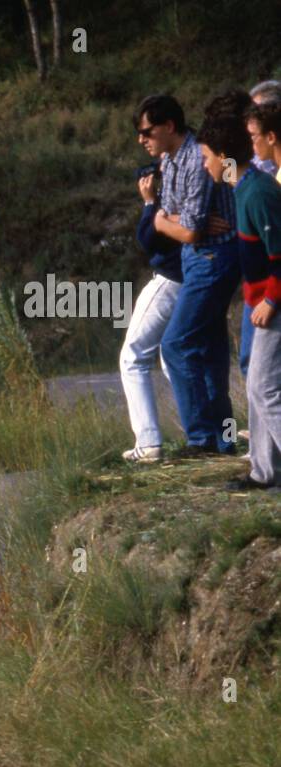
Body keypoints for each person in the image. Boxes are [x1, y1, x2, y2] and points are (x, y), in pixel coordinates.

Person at [141, 93, 239, 456]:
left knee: (176, 344)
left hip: (212, 258)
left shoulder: (196, 158)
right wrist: (173, 220)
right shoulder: (170, 160)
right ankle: (224, 438)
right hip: (197, 258)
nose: (142, 139)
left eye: (147, 131)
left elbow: (190, 231)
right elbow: (175, 218)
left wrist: (162, 221)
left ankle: (201, 438)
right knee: (210, 351)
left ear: (169, 126)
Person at [197, 108, 281, 489]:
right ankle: (265, 472)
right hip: (262, 304)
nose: (204, 166)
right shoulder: (242, 190)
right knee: (256, 386)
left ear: (223, 157)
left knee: (264, 387)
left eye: (206, 157)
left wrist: (270, 301)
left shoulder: (258, 194)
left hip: (274, 306)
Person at [120, 157, 184, 463]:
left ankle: (147, 443)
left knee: (133, 357)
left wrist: (149, 202)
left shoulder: (174, 185)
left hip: (170, 278)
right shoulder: (192, 172)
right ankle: (207, 432)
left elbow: (147, 238)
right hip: (194, 276)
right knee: (174, 358)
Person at [235, 83, 281, 379]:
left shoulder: (267, 181)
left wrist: (272, 298)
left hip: (271, 284)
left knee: (262, 378)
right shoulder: (259, 166)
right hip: (260, 281)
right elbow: (231, 180)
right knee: (251, 367)